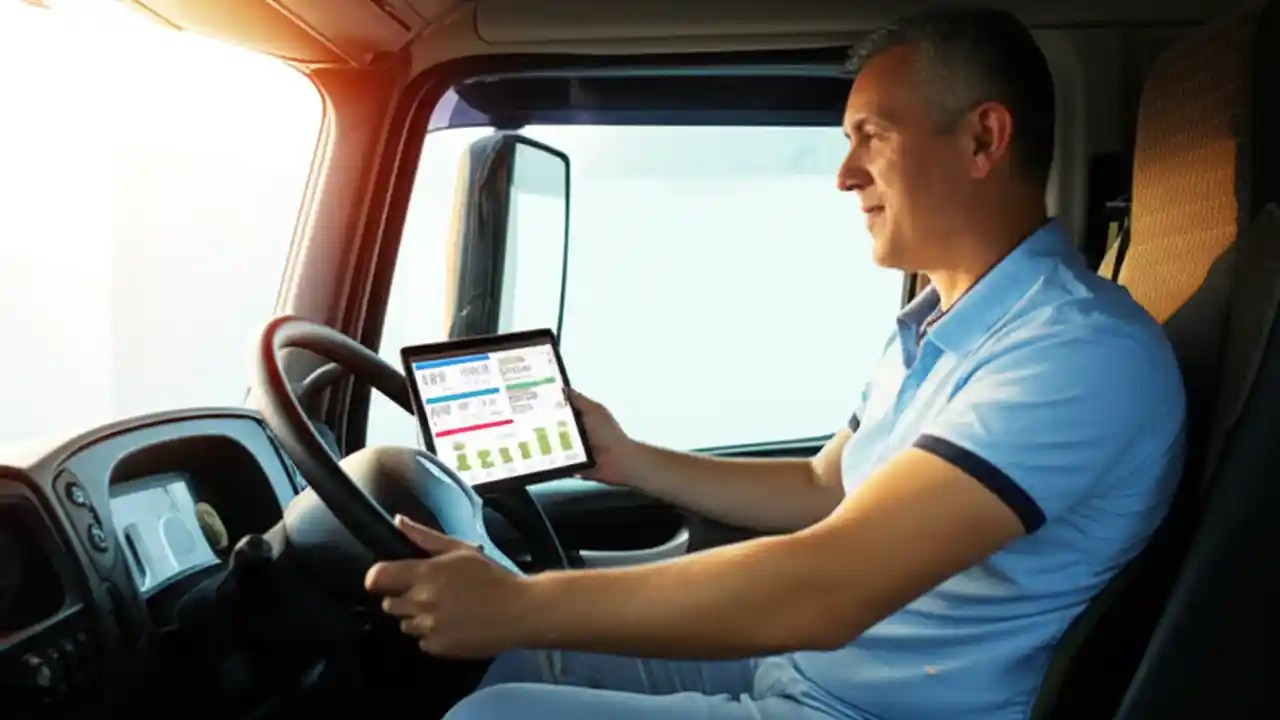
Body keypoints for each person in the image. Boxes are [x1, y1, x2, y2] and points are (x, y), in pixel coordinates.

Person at [363, 7, 1187, 719]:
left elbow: (828, 585)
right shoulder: (945, 328)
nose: (844, 174)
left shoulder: (1075, 356)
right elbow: (823, 488)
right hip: (812, 671)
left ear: (983, 138)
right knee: (510, 669)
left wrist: (522, 604)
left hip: (870, 708)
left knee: (497, 711)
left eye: (872, 136)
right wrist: (630, 460)